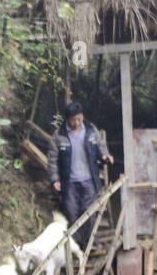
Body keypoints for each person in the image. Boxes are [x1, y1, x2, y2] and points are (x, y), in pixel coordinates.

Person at [46, 101, 113, 249]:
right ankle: (76, 246)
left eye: (79, 119)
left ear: (83, 116)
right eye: (73, 120)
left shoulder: (91, 130)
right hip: (69, 182)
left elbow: (101, 147)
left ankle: (90, 243)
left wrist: (106, 156)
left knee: (89, 212)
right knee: (71, 213)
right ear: (67, 119)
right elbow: (52, 159)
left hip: (89, 179)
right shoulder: (59, 135)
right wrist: (55, 179)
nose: (77, 122)